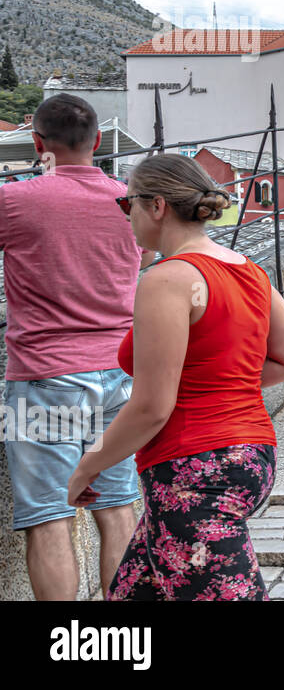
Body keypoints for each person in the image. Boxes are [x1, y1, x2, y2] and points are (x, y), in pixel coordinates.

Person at [67, 154, 284, 600]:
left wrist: (88, 466)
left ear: (156, 205)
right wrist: (221, 383)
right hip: (251, 453)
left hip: (194, 470)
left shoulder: (168, 279)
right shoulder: (248, 270)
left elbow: (150, 407)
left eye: (128, 205)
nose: (128, 217)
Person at [0, 94, 148, 600]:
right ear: (99, 141)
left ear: (38, 143)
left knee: (48, 517)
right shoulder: (131, 201)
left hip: (43, 378)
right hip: (123, 375)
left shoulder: (14, 200)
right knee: (118, 508)